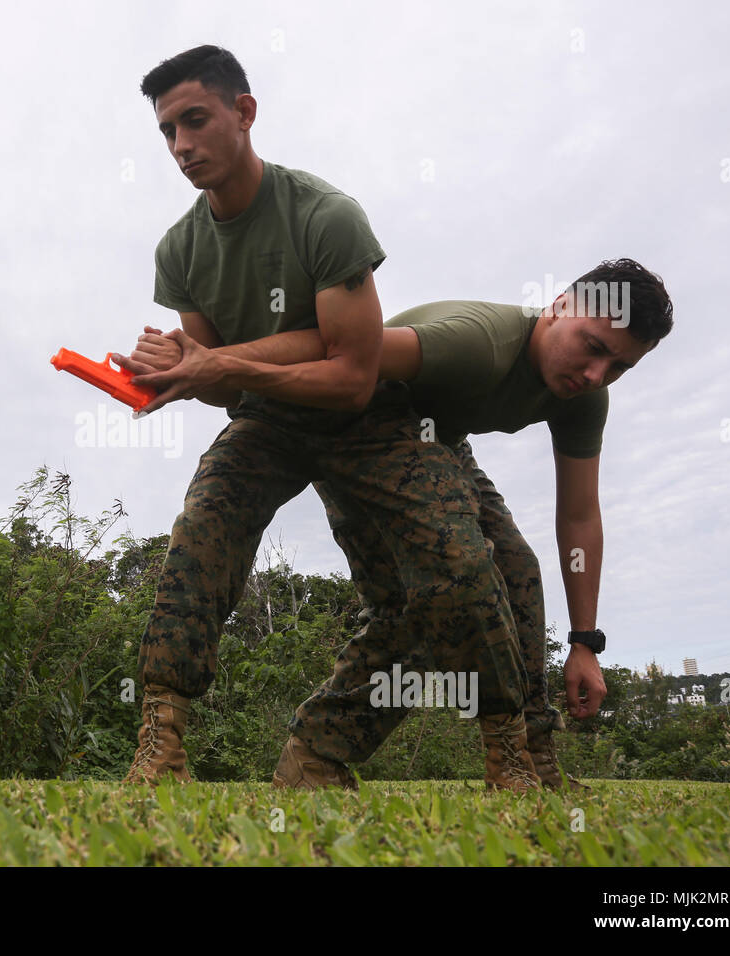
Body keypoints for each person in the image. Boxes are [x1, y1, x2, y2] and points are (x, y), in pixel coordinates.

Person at [118, 43, 539, 792]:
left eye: (195, 121)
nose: (181, 147)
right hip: (269, 421)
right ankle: (160, 748)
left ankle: (509, 754)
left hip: (371, 420)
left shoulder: (326, 216)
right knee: (199, 534)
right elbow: (220, 383)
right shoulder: (178, 250)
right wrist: (180, 372)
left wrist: (219, 364)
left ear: (243, 113)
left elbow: (352, 374)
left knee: (457, 562)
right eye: (166, 132)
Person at [126, 260, 674, 788]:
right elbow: (341, 349)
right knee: (426, 597)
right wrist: (210, 361)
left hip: (437, 440)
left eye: (619, 367)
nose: (596, 374)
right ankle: (312, 750)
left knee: (516, 570)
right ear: (558, 308)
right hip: (360, 415)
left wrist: (585, 642)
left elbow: (579, 513)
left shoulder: (584, 396)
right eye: (594, 348)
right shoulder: (477, 344)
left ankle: (532, 754)